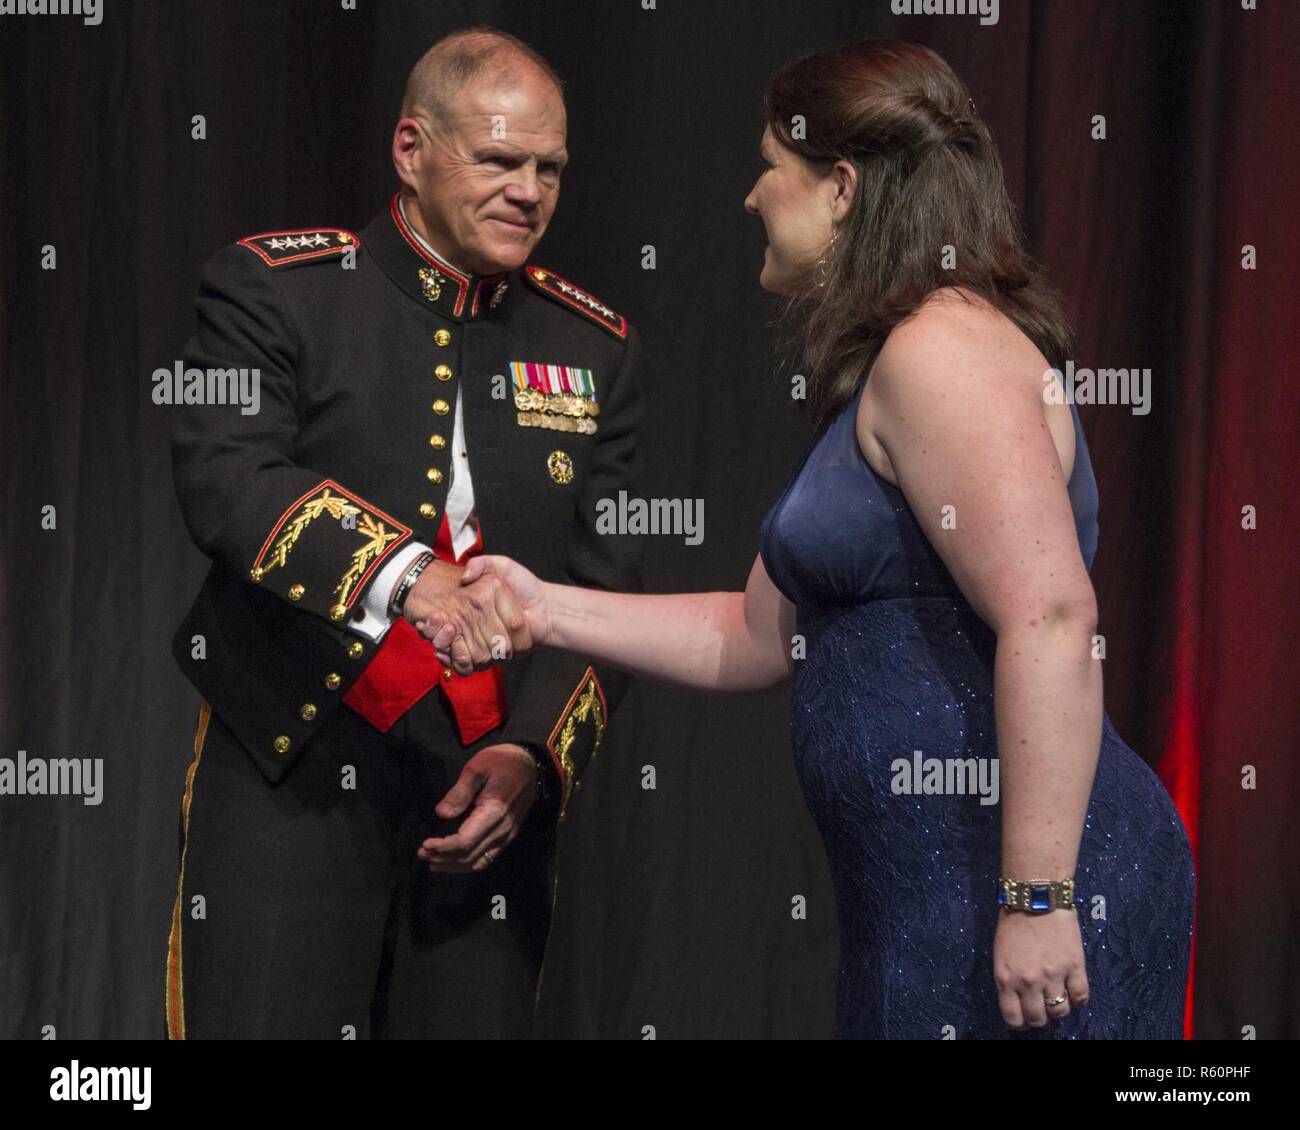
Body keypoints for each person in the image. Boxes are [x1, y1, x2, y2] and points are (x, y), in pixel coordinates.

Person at [417, 39, 1196, 1039]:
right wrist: (542, 606)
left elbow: (1049, 615)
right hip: (926, 895)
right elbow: (752, 635)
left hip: (1018, 891)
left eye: (769, 166)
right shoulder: (892, 364)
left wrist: (1038, 894)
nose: (750, 196)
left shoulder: (943, 347)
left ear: (840, 187)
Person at [164, 26, 644, 1039]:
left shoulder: (594, 344)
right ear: (411, 149)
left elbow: (608, 586)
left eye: (549, 168)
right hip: (291, 756)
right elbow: (227, 477)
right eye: (498, 159)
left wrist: (535, 756)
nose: (528, 191)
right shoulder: (280, 288)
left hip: (484, 788)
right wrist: (410, 575)